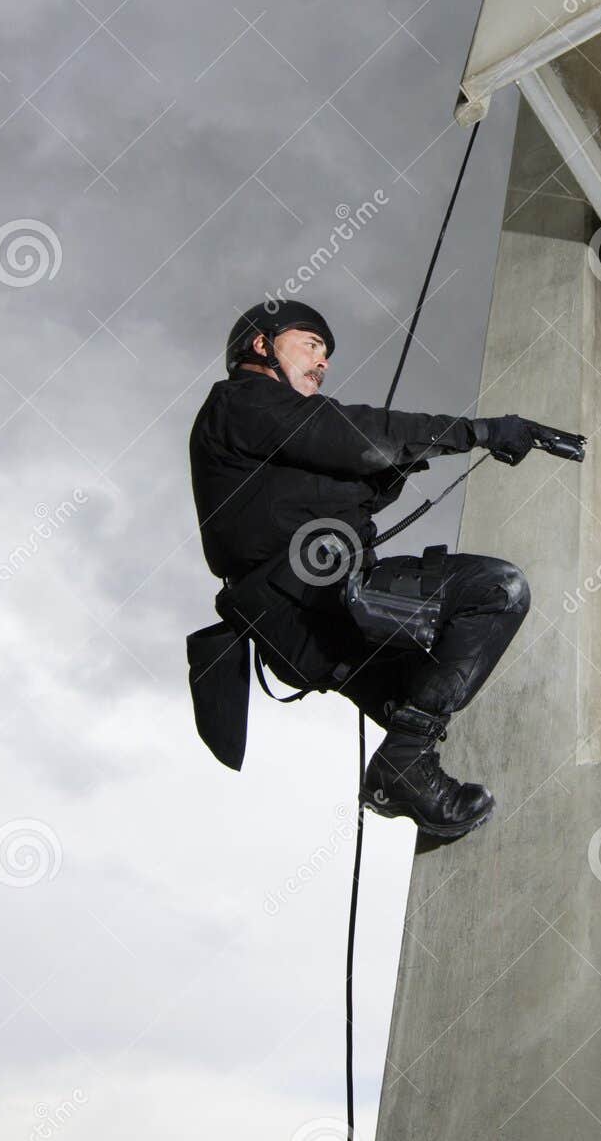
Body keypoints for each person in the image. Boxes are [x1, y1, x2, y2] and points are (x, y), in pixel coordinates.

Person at [188, 300, 567, 842]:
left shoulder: (267, 436)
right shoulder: (241, 400)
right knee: (495, 590)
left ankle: (407, 780)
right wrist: (479, 431)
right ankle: (403, 766)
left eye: (326, 353)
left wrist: (397, 463)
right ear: (261, 344)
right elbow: (359, 440)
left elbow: (342, 483)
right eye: (311, 344)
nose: (323, 361)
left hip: (310, 627)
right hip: (311, 606)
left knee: (424, 693)